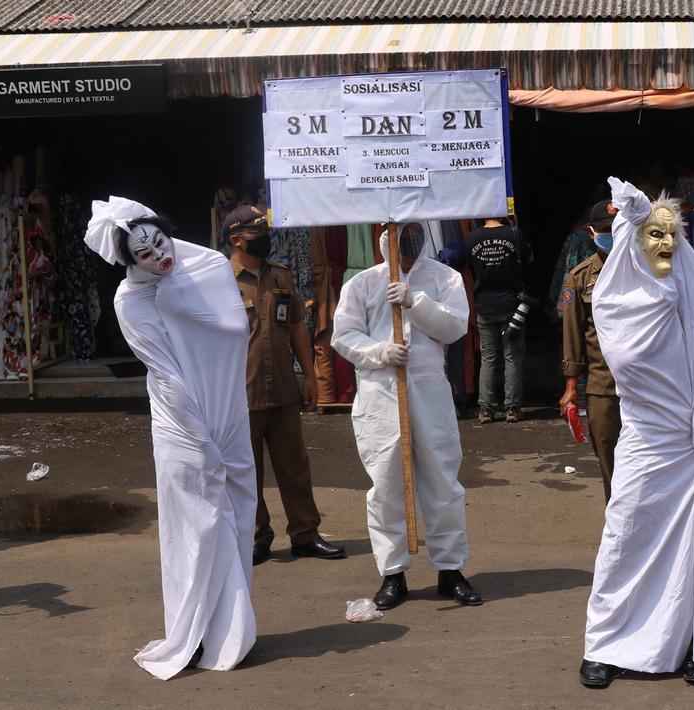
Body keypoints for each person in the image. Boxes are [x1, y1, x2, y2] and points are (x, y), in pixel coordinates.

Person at [580, 178, 694, 689]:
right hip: (645, 440)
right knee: (624, 535)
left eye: (672, 234)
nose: (666, 244)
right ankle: (605, 643)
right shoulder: (614, 302)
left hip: (693, 440)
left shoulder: (690, 291)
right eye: (654, 234)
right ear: (633, 240)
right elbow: (627, 363)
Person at [86, 196, 257, 680]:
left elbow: (234, 330)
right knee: (199, 531)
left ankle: (232, 631)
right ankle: (198, 633)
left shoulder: (204, 263)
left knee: (238, 522)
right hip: (184, 426)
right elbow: (165, 374)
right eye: (145, 254)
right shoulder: (131, 300)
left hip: (229, 414)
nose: (160, 255)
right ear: (129, 260)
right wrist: (199, 437)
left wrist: (222, 425)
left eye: (159, 241)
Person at [332, 222, 483, 610]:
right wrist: (379, 351)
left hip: (429, 386)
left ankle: (450, 570)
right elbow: (344, 335)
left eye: (415, 229)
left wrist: (417, 302)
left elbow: (454, 327)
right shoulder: (363, 283)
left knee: (442, 479)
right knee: (385, 483)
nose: (408, 238)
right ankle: (393, 572)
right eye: (400, 231)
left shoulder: (444, 277)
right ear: (384, 235)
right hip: (381, 390)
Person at [224, 206, 344, 566]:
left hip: (282, 388)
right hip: (238, 395)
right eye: (255, 236)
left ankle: (305, 534)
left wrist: (309, 375)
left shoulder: (280, 276)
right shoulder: (218, 280)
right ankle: (256, 536)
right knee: (247, 473)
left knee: (294, 466)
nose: (264, 241)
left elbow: (295, 328)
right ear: (235, 240)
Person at [559, 199, 621, 502]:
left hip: (644, 384)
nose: (612, 234)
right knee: (608, 455)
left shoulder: (647, 269)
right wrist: (571, 386)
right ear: (592, 232)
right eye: (606, 229)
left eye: (617, 228)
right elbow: (573, 334)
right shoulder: (580, 277)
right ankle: (618, 523)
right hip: (603, 385)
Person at [464, 217, 534, 424]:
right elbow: (530, 258)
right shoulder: (513, 234)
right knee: (512, 355)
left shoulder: (472, 237)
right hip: (511, 305)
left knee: (489, 357)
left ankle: (486, 409)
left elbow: (469, 265)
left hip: (485, 305)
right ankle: (512, 408)